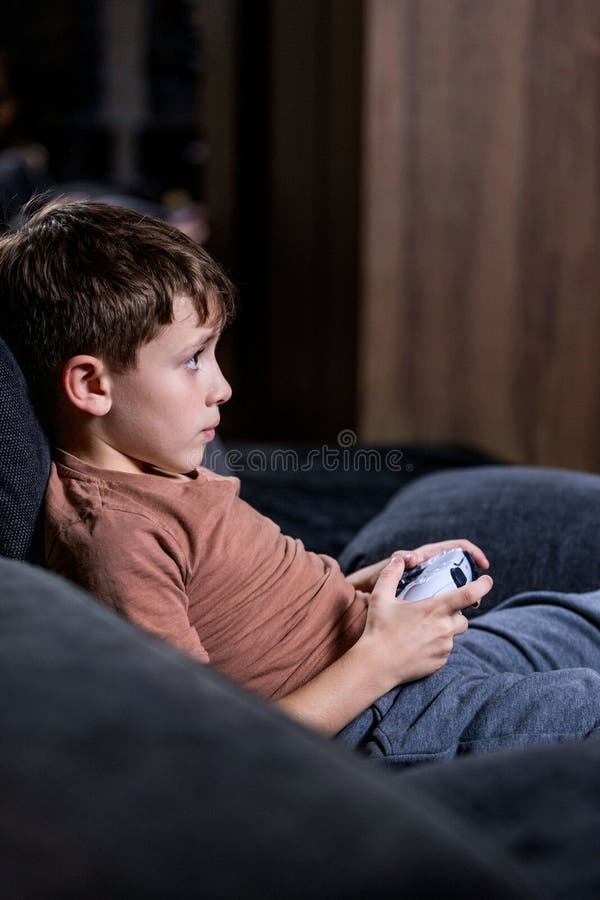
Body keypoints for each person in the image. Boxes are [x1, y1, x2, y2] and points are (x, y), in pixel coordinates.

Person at [1, 196, 599, 767]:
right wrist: (382, 660)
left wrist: (364, 588)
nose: (221, 387)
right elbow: (212, 749)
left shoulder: (161, 469)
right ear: (92, 386)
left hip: (386, 650)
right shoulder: (118, 538)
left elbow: (245, 607)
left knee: (576, 618)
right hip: (383, 720)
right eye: (192, 360)